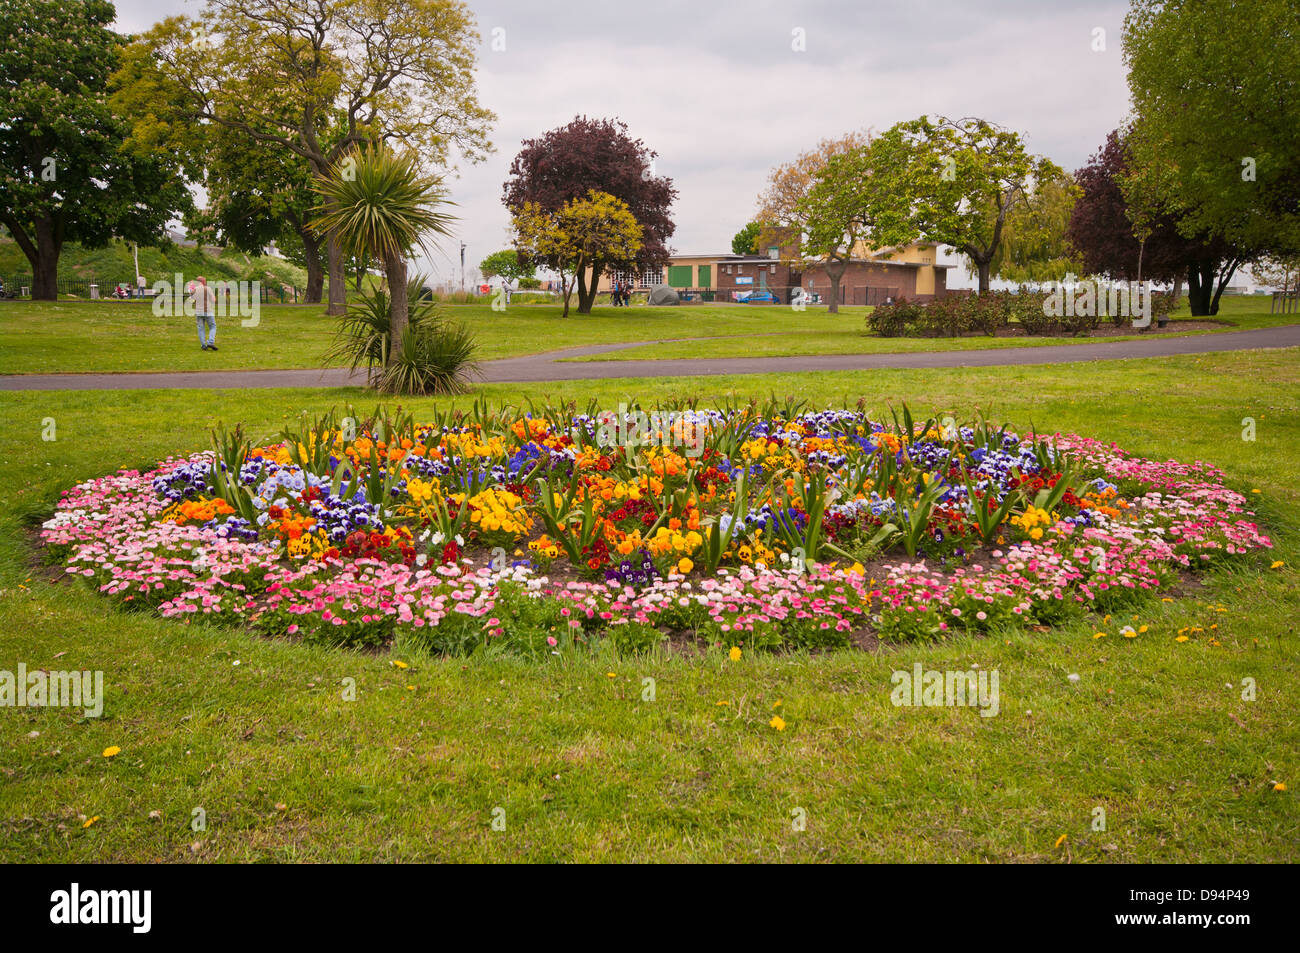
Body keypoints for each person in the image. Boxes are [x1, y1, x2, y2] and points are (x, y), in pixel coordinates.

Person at [192, 275, 218, 350]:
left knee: (201, 328)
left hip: (198, 312)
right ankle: (210, 342)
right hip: (208, 311)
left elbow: (192, 299)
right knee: (213, 326)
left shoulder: (195, 289)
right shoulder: (208, 288)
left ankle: (203, 345)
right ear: (203, 282)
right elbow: (213, 300)